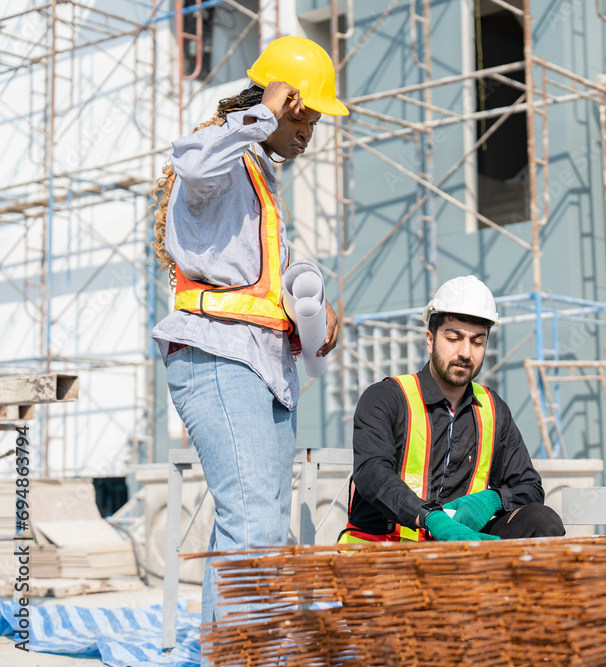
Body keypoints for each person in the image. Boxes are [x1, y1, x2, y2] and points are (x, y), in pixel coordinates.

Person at [148, 36, 348, 643]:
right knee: (254, 519)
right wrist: (262, 112)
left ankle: (235, 651)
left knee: (256, 521)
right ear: (281, 100)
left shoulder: (260, 180)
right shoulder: (226, 160)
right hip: (219, 356)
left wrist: (309, 304)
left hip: (262, 364)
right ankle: (242, 657)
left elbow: (254, 276)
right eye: (305, 116)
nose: (308, 132)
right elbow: (192, 162)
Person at [340, 276, 565, 543]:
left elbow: (529, 488)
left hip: (459, 554)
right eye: (454, 338)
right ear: (430, 340)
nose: (466, 352)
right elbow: (372, 475)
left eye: (477, 342)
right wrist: (430, 518)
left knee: (542, 521)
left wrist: (492, 500)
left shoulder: (493, 410)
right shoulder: (385, 398)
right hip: (385, 553)